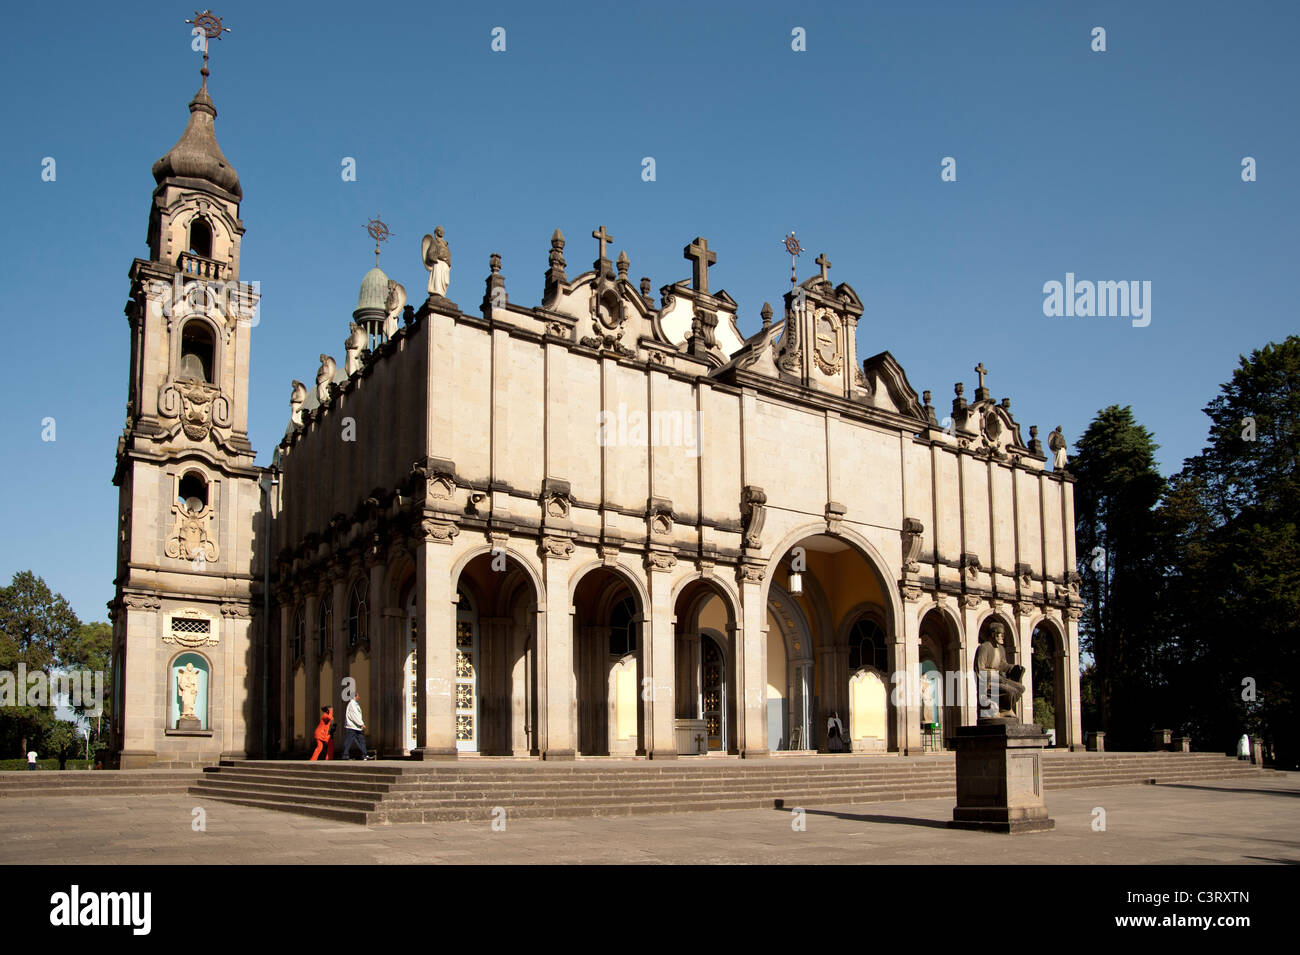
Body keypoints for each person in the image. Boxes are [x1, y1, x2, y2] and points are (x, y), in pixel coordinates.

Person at [342, 694, 375, 760]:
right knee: (348, 741)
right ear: (354, 696)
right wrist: (361, 723)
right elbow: (354, 715)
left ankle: (364, 755)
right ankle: (345, 755)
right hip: (352, 727)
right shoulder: (352, 704)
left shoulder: (355, 704)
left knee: (361, 741)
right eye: (357, 696)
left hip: (356, 727)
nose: (359, 697)